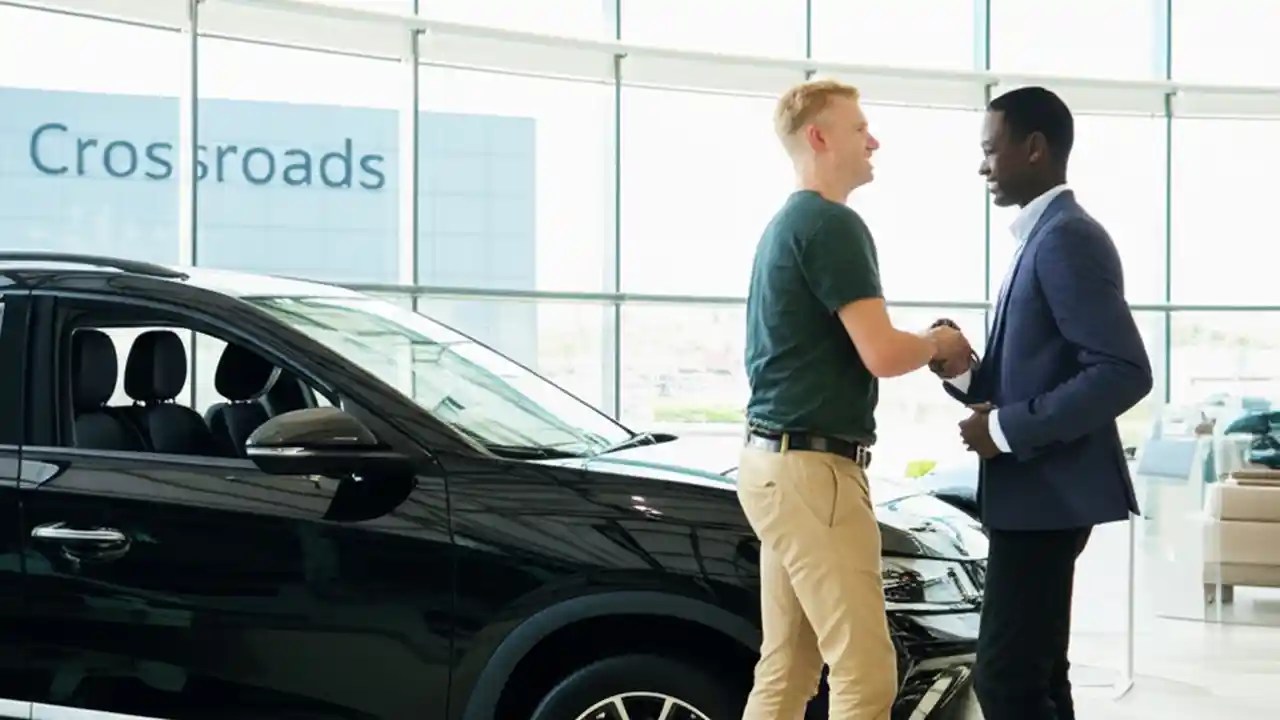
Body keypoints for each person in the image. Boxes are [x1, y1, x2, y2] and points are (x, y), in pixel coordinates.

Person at [737, 78, 972, 720]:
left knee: (787, 669)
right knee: (865, 676)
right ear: (819, 137)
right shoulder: (831, 224)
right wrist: (939, 341)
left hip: (772, 467)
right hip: (815, 475)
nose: (874, 141)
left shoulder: (785, 225)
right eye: (860, 128)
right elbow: (883, 354)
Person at [932, 86, 1153, 720]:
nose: (982, 166)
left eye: (989, 150)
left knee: (1005, 681)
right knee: (1039, 678)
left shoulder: (1066, 239)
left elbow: (1123, 371)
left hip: (1046, 497)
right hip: (1039, 496)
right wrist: (967, 373)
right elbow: (1040, 371)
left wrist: (1004, 428)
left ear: (1033, 148)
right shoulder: (1044, 238)